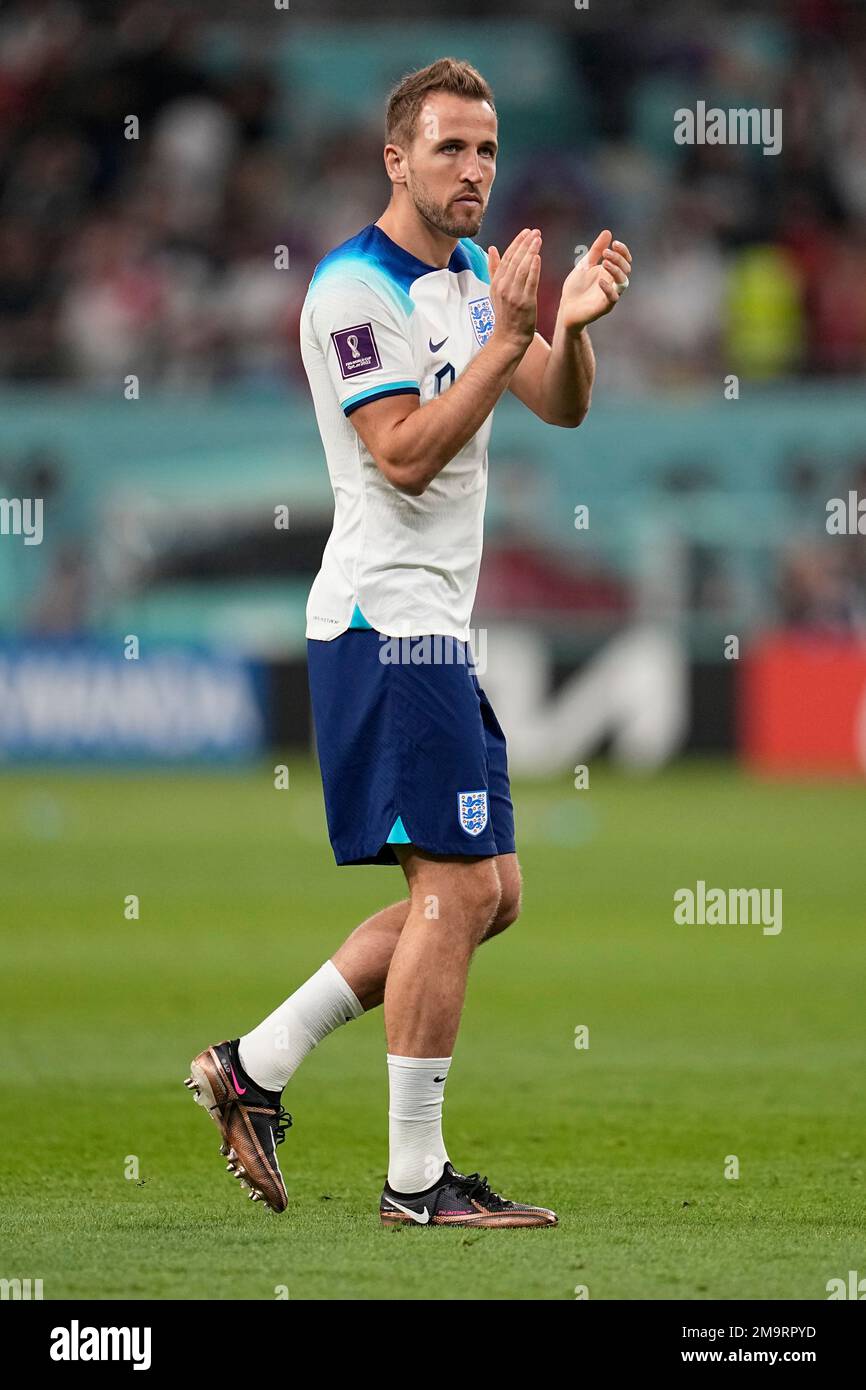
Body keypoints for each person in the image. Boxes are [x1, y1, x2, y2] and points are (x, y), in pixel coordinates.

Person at [186, 56, 632, 1227]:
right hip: (386, 624)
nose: (474, 168)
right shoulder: (349, 292)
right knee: (450, 888)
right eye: (450, 147)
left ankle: (255, 1065)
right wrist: (507, 337)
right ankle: (415, 1181)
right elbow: (402, 452)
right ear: (396, 159)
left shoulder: (475, 275)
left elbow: (559, 399)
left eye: (486, 148)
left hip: (435, 630)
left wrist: (566, 331)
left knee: (489, 891)